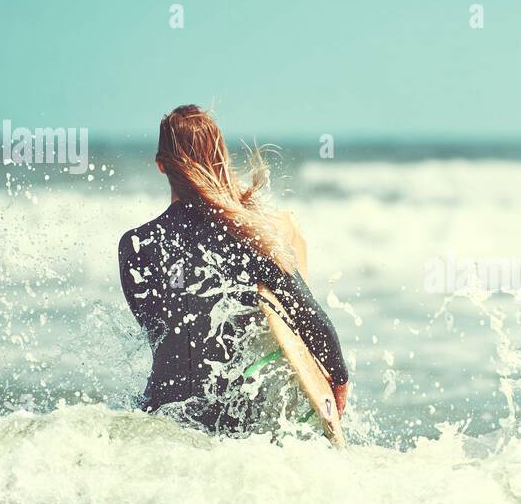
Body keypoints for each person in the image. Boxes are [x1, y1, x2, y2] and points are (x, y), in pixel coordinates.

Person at [118, 105, 348, 433]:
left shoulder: (134, 245)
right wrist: (339, 381)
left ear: (160, 166)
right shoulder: (250, 238)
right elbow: (309, 316)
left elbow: (158, 329)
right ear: (221, 160)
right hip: (226, 421)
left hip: (157, 415)